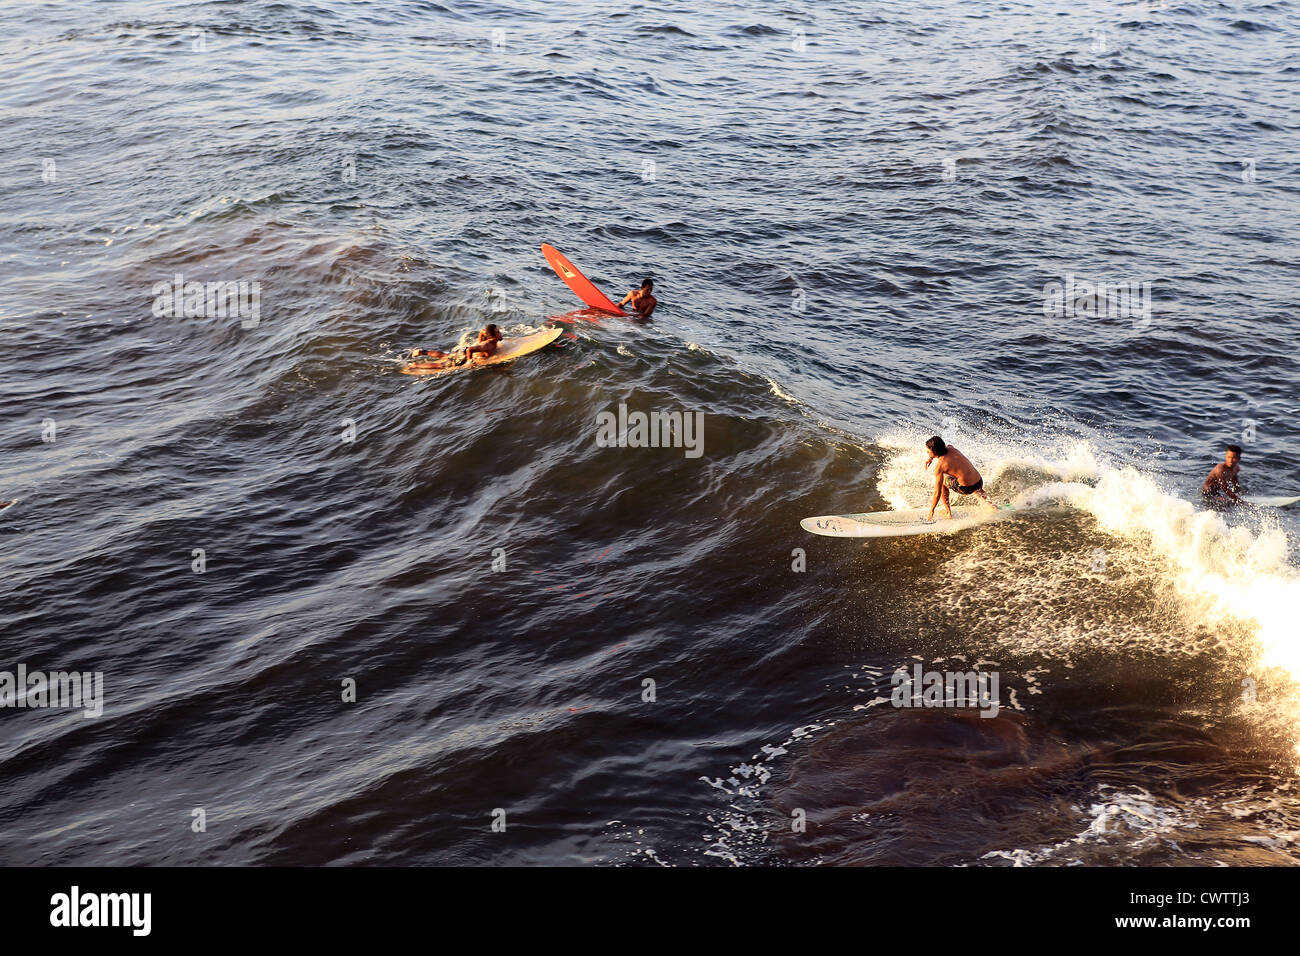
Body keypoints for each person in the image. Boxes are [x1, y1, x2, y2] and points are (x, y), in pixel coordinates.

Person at [924, 436, 998, 521]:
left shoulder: (940, 467)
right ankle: (993, 506)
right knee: (972, 482)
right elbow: (947, 446)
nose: (927, 452)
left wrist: (931, 511)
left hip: (966, 488)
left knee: (943, 482)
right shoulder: (951, 448)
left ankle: (948, 513)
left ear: (934, 451)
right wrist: (930, 458)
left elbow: (937, 493)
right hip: (979, 482)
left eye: (928, 451)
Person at [410, 324, 503, 370]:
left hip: (463, 351)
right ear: (492, 336)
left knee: (445, 355)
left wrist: (479, 341)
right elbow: (470, 349)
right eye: (498, 332)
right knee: (441, 365)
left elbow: (482, 331)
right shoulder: (487, 345)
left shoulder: (487, 339)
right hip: (464, 356)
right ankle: (416, 365)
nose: (500, 333)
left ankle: (422, 352)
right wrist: (469, 363)